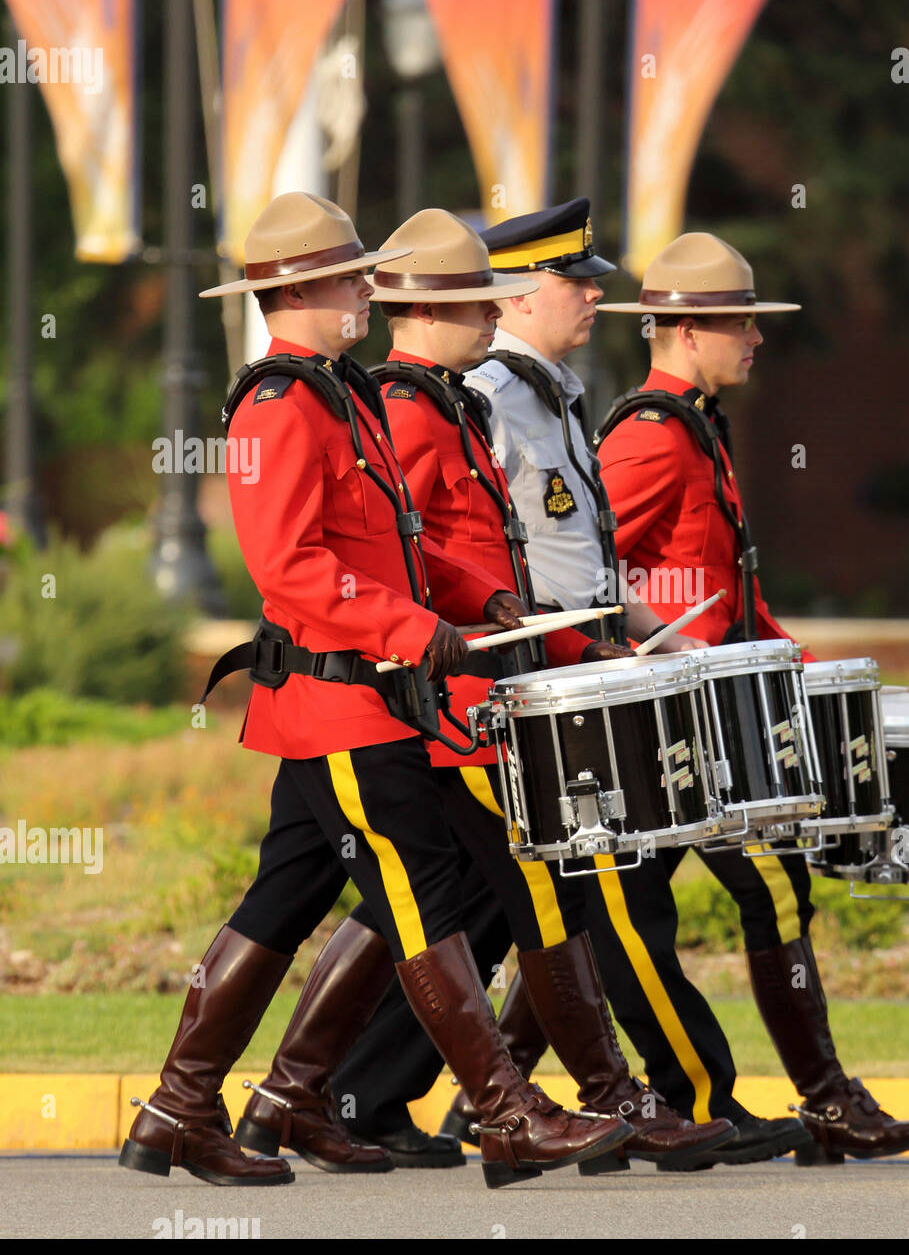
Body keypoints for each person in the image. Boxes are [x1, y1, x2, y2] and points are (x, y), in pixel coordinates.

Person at [118, 192, 631, 1191]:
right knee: (419, 895)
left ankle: (181, 1107)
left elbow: (401, 545)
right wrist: (416, 630)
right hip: (341, 701)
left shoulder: (338, 394)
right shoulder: (277, 403)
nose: (368, 288)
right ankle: (505, 1109)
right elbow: (290, 570)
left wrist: (475, 597)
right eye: (352, 275)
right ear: (299, 288)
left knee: (285, 896)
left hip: (362, 699)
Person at [274, 207, 729, 1171]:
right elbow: (383, 552)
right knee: (500, 885)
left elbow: (461, 543)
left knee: (380, 901)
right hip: (429, 688)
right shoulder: (399, 401)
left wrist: (527, 614)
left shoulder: (448, 398)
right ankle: (570, 1102)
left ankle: (295, 1097)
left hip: (470, 677)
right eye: (480, 297)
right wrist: (456, 631)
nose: (494, 314)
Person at [437, 203, 812, 1169]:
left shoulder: (551, 393)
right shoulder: (483, 395)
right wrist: (558, 650)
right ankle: (648, 1098)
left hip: (593, 679)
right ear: (519, 292)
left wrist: (659, 645)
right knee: (521, 900)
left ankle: (379, 1096)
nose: (601, 294)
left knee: (508, 903)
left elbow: (592, 561)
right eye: (579, 281)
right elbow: (480, 554)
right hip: (532, 687)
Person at [592, 232, 909, 1164]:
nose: (756, 338)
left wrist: (802, 664)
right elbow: (586, 576)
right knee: (770, 894)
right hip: (688, 721)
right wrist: (669, 655)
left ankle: (495, 1086)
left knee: (616, 909)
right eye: (740, 322)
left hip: (720, 708)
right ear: (684, 329)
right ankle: (827, 1102)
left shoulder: (699, 423)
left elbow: (725, 589)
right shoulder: (651, 436)